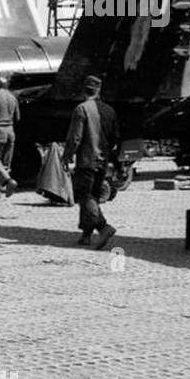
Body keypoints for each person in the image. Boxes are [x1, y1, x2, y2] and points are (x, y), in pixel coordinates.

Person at [63, 74, 121, 249]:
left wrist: (66, 156)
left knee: (85, 196)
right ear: (99, 90)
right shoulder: (110, 111)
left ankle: (104, 227)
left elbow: (75, 137)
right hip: (102, 160)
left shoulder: (81, 109)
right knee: (92, 197)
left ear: (83, 89)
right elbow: (116, 138)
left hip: (87, 160)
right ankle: (86, 235)